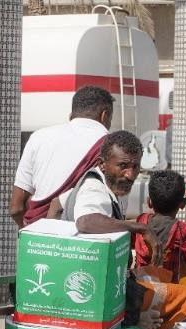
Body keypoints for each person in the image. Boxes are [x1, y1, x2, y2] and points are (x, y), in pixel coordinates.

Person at [60, 130, 186, 329]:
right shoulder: (93, 190)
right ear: (103, 163)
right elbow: (86, 221)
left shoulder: (101, 184)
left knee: (152, 278)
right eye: (123, 166)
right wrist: (140, 228)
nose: (130, 174)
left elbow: (57, 204)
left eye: (135, 166)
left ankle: (137, 321)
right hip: (93, 287)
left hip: (106, 282)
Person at [10, 86, 114, 226]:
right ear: (104, 115)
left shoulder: (38, 137)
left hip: (36, 238)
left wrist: (28, 233)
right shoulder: (112, 145)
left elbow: (16, 208)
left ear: (71, 114)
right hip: (85, 239)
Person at [133, 170, 186, 282]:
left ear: (149, 202)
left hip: (139, 288)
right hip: (167, 293)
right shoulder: (182, 230)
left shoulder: (141, 221)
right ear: (183, 203)